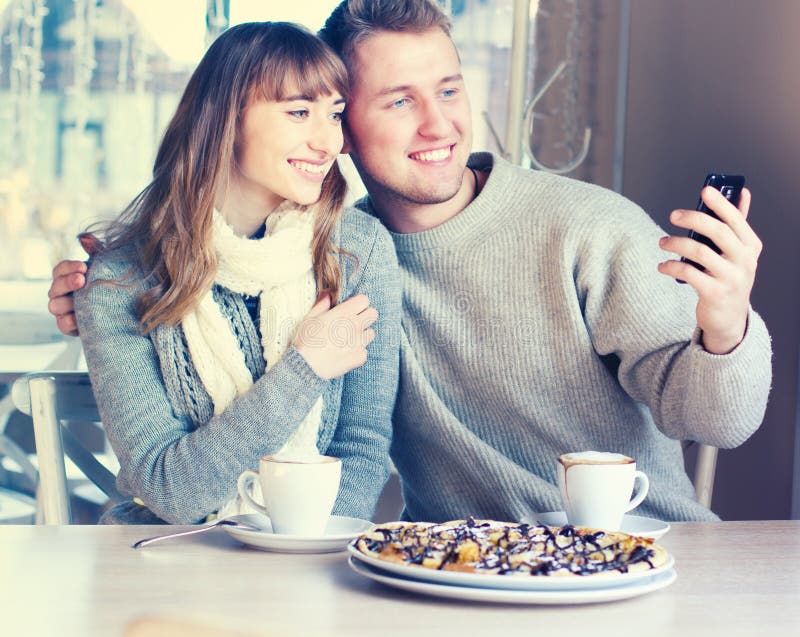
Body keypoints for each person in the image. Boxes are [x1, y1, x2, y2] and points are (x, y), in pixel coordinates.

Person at [49, 0, 771, 524]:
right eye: (398, 101)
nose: (439, 124)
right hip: (453, 578)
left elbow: (719, 422)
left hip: (632, 557)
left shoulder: (587, 228)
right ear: (348, 130)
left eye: (449, 90)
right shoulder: (347, 254)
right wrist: (112, 288)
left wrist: (725, 327)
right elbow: (204, 279)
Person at [62, 21, 400, 524]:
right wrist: (305, 367)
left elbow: (362, 447)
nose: (328, 141)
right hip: (169, 555)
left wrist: (305, 546)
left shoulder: (358, 250)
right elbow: (167, 490)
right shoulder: (121, 281)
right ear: (227, 118)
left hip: (312, 552)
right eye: (299, 112)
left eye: (334, 114)